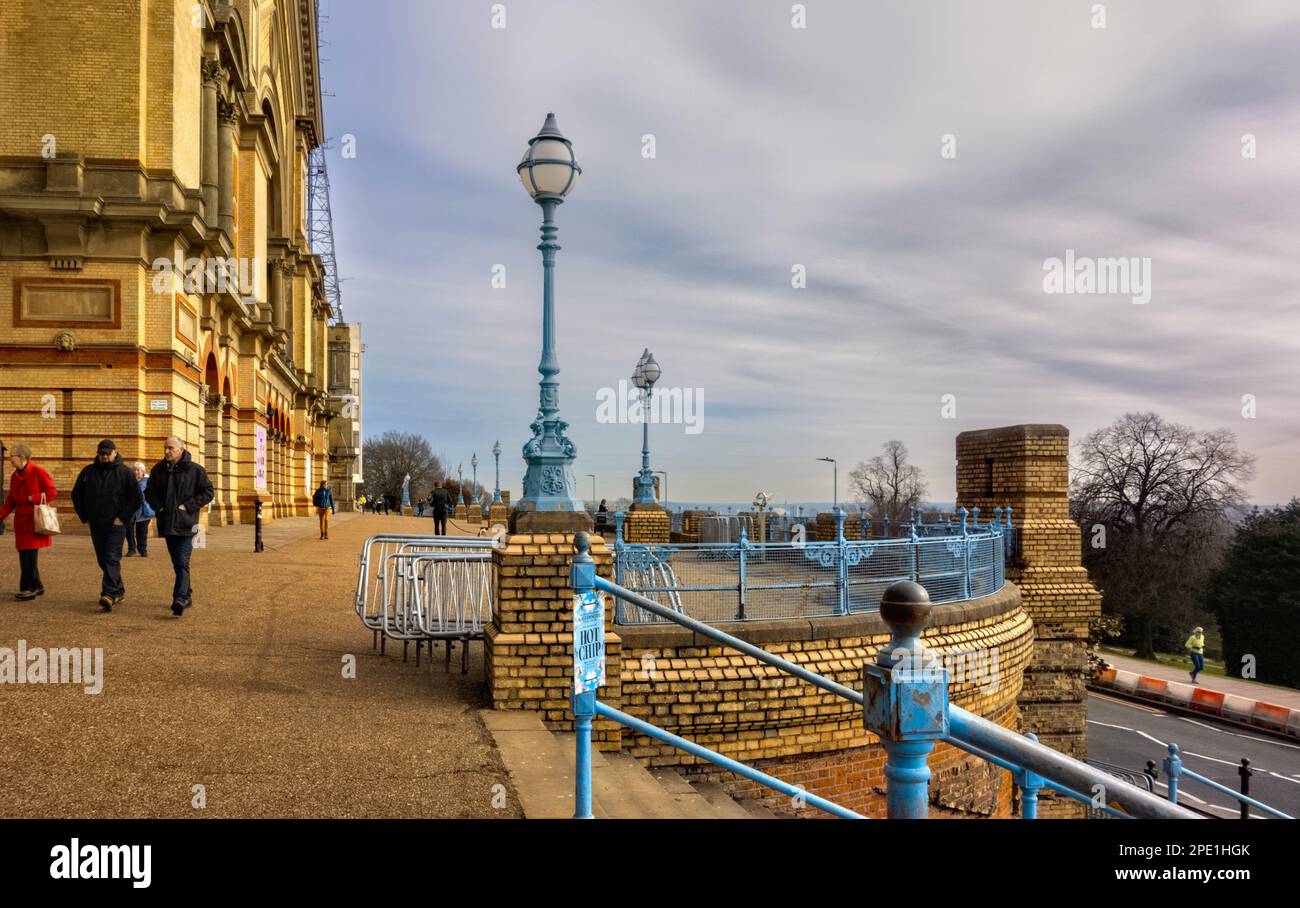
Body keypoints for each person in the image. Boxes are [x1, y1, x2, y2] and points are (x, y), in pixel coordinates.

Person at [145, 436, 214, 617]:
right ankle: (187, 594)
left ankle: (180, 598)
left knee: (182, 561)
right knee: (178, 563)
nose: (167, 451)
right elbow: (149, 492)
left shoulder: (195, 470)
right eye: (165, 448)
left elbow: (208, 492)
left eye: (171, 448)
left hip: (187, 523)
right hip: (167, 522)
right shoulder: (158, 470)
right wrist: (159, 507)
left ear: (181, 450)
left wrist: (188, 506)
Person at [71, 439, 141, 611]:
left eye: (107, 453)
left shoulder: (125, 473)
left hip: (116, 524)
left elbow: (136, 498)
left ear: (115, 453)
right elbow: (76, 494)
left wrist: (123, 518)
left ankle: (108, 594)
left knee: (111, 557)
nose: (104, 456)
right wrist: (84, 515)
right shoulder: (88, 472)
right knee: (103, 559)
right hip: (96, 523)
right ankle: (118, 589)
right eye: (101, 453)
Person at [0, 443, 57, 601]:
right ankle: (37, 586)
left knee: (28, 555)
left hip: (34, 520)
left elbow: (52, 492)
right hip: (22, 521)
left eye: (13, 456)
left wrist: (33, 498)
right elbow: (11, 499)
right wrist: (1, 515)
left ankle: (27, 588)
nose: (10, 459)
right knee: (25, 554)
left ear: (22, 457)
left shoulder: (38, 472)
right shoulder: (15, 475)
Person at [125, 461, 154, 557]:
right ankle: (131, 549)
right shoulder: (129, 480)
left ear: (142, 471)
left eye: (138, 470)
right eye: (134, 470)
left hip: (143, 511)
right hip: (130, 510)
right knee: (128, 530)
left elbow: (139, 493)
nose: (135, 472)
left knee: (142, 531)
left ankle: (143, 549)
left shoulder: (146, 481)